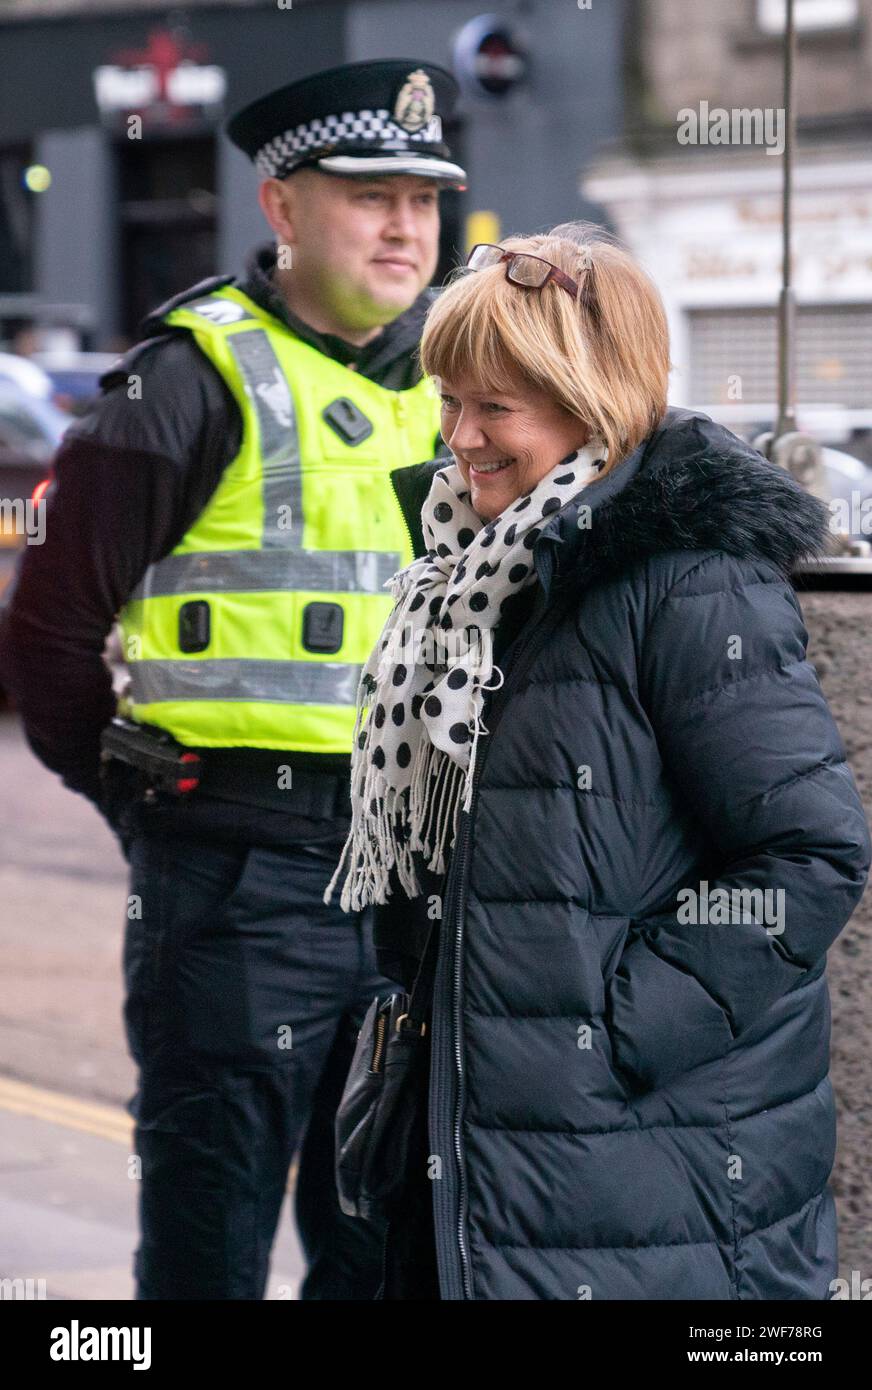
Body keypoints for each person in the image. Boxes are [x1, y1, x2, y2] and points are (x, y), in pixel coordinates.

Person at [326, 224, 872, 1300]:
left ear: (590, 399)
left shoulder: (687, 582)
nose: (458, 437)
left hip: (638, 1179)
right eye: (448, 399)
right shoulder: (472, 578)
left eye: (494, 407)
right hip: (486, 1151)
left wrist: (609, 1030)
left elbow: (806, 854)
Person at [0, 59, 466, 1300]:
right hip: (233, 872)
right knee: (209, 1241)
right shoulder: (181, 381)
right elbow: (46, 636)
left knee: (381, 1247)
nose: (404, 226)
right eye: (370, 196)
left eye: (423, 199)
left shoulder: (457, 382)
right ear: (282, 206)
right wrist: (146, 804)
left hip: (414, 881)